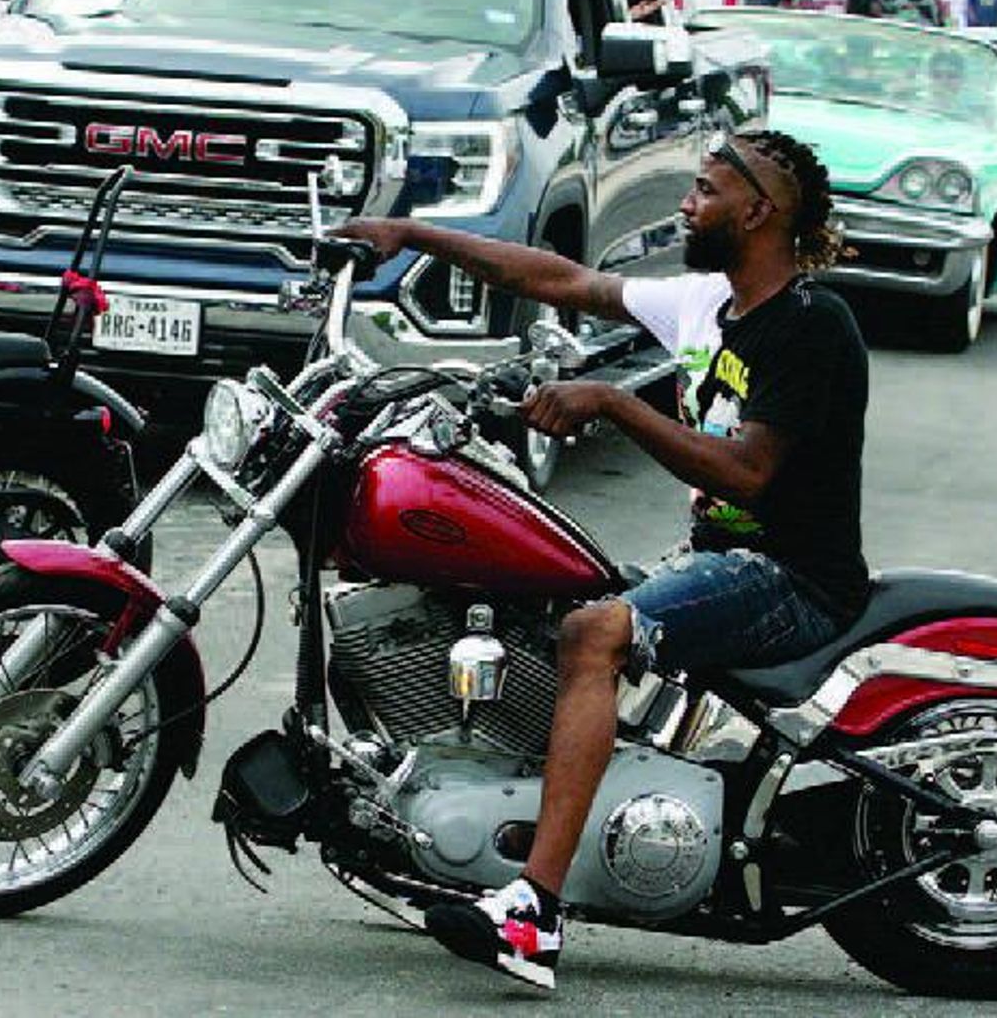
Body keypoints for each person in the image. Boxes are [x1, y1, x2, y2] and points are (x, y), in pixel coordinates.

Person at [334, 129, 869, 990]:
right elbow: (559, 278)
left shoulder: (809, 326)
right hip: (719, 557)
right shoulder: (708, 302)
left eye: (705, 190)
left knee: (595, 633)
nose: (688, 203)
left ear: (759, 211)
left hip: (790, 577)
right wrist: (415, 237)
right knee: (536, 595)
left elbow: (748, 473)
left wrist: (615, 402)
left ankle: (535, 912)